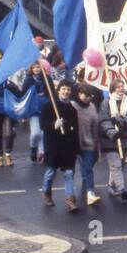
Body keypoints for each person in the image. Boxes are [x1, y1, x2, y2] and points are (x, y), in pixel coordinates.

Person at [40, 81, 80, 212]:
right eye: (63, 89)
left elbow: (75, 130)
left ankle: (70, 199)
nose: (66, 91)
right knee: (51, 172)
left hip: (67, 147)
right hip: (53, 145)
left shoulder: (73, 110)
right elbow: (43, 125)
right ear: (58, 91)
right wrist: (54, 125)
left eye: (68, 89)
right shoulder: (48, 106)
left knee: (69, 173)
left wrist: (76, 148)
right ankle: (46, 192)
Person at [99, 81, 127, 201]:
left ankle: (111, 185)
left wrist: (120, 120)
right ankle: (122, 189)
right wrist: (112, 132)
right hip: (110, 139)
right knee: (115, 165)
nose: (121, 89)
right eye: (118, 87)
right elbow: (104, 120)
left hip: (125, 138)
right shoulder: (106, 102)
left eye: (122, 87)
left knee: (118, 163)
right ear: (112, 89)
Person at [71, 83, 103, 208]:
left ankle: (90, 193)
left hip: (88, 142)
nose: (88, 98)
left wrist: (96, 143)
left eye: (90, 96)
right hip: (73, 143)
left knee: (88, 167)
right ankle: (70, 195)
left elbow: (95, 126)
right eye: (85, 95)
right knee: (71, 170)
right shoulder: (72, 105)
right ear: (79, 94)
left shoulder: (92, 107)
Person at [0, 76, 22, 167]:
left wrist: (13, 87)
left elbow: (19, 94)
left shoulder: (10, 84)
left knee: (9, 133)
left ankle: (8, 154)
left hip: (8, 112)